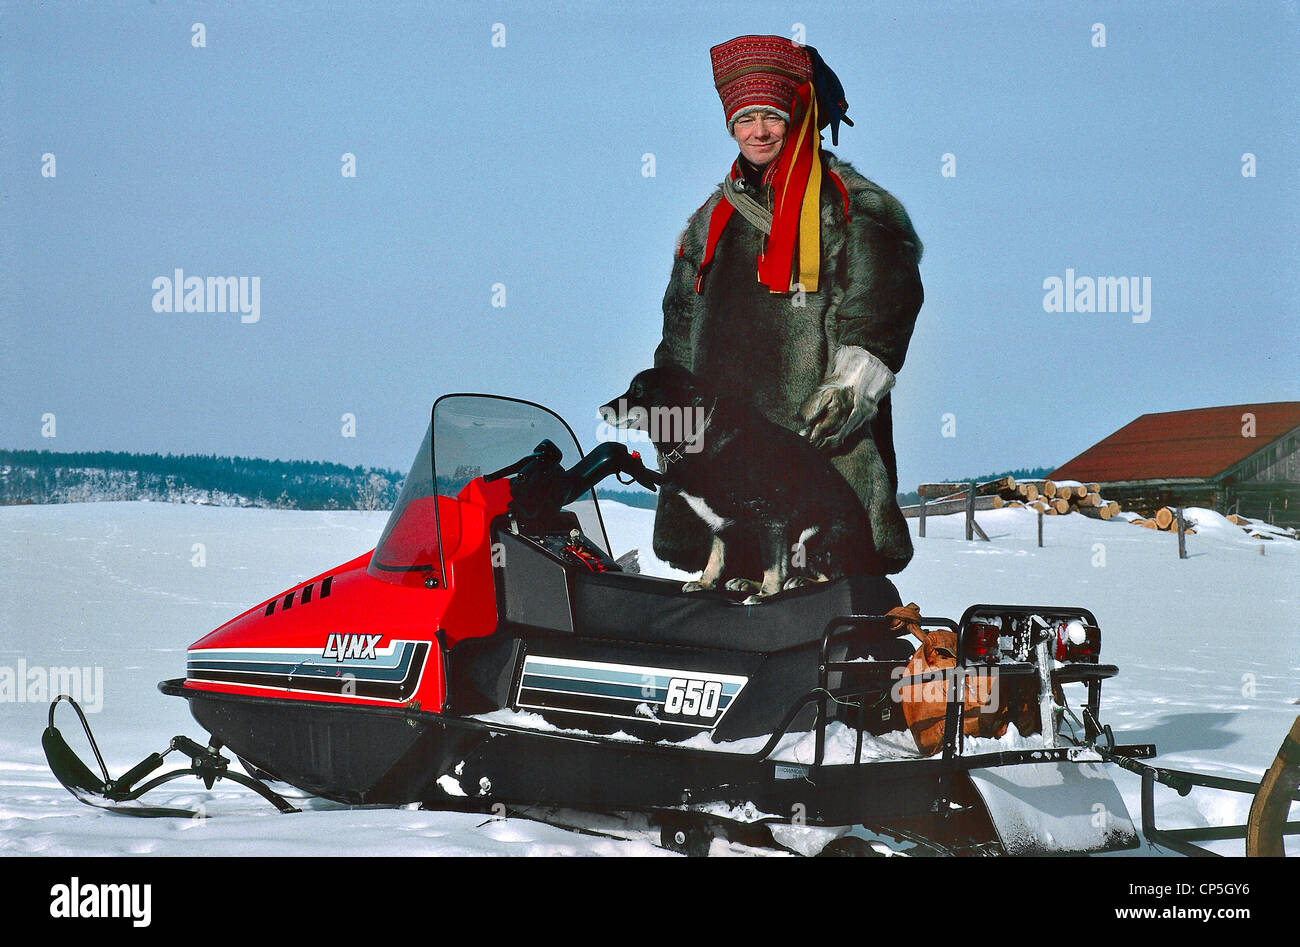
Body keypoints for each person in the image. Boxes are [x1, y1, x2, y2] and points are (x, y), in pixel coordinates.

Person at [652, 34, 923, 580]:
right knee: (731, 605)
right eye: (745, 118)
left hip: (816, 443)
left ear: (795, 118)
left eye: (771, 117)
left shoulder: (849, 204)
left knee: (821, 601)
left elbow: (883, 296)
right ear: (730, 125)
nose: (758, 131)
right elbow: (680, 327)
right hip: (723, 451)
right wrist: (667, 410)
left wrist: (853, 383)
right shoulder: (710, 223)